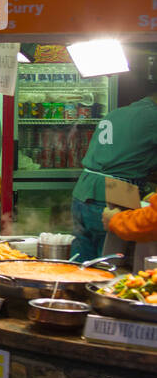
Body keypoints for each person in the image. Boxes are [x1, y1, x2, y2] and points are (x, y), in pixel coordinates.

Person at [70, 78, 157, 261]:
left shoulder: (117, 112)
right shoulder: (154, 117)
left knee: (81, 263)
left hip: (83, 190)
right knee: (110, 264)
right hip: (117, 191)